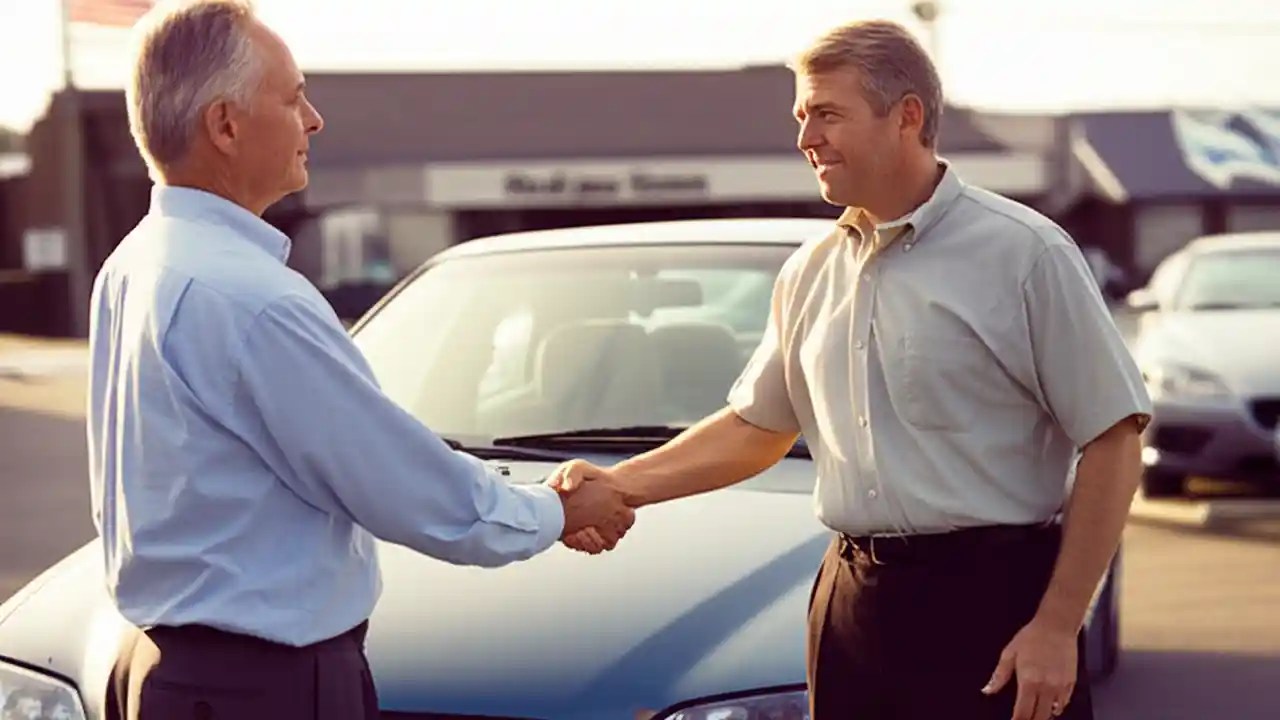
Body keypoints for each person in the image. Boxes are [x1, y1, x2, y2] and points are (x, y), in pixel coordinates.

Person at [550, 18, 1151, 720]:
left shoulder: (1026, 253)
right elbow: (757, 429)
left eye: (827, 114)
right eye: (802, 118)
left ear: (908, 117)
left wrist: (1057, 624)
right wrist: (617, 484)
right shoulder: (811, 270)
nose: (806, 139)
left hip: (993, 608)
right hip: (851, 606)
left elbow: (1113, 439)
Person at [88, 2, 633, 719]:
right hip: (262, 688)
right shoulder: (252, 299)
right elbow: (401, 482)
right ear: (225, 125)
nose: (314, 120)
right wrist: (554, 514)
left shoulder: (132, 267)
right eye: (293, 98)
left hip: (161, 668)